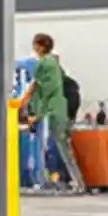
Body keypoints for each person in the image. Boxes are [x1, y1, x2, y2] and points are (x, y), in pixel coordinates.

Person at [19, 33, 86, 194]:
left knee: (61, 147)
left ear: (39, 46)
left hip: (56, 110)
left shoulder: (46, 64)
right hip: (61, 109)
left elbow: (43, 90)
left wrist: (34, 112)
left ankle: (76, 183)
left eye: (35, 44)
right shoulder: (52, 64)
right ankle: (67, 180)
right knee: (59, 146)